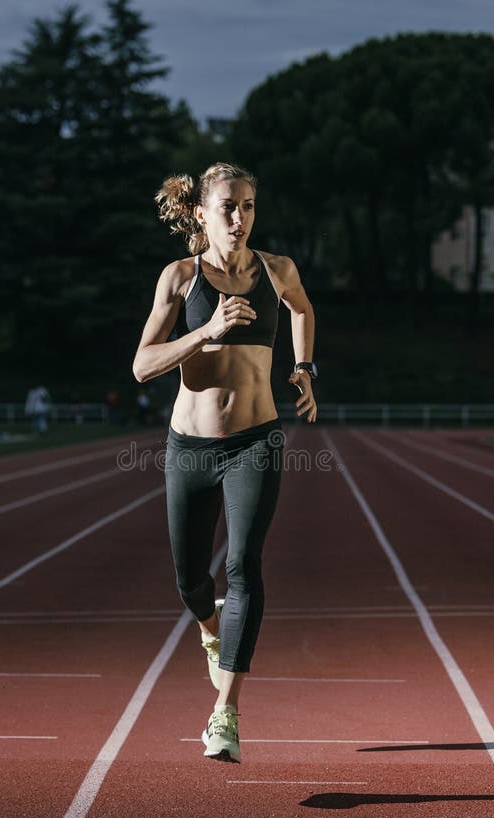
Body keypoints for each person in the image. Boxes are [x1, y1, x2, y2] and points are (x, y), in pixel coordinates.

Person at [132, 162, 317, 763]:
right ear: (203, 214)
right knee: (191, 581)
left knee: (244, 566)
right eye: (228, 207)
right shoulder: (181, 277)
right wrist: (207, 329)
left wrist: (304, 367)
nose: (240, 219)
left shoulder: (276, 270)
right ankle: (210, 632)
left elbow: (301, 310)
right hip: (189, 446)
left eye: (249, 206)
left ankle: (225, 714)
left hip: (256, 441)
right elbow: (142, 365)